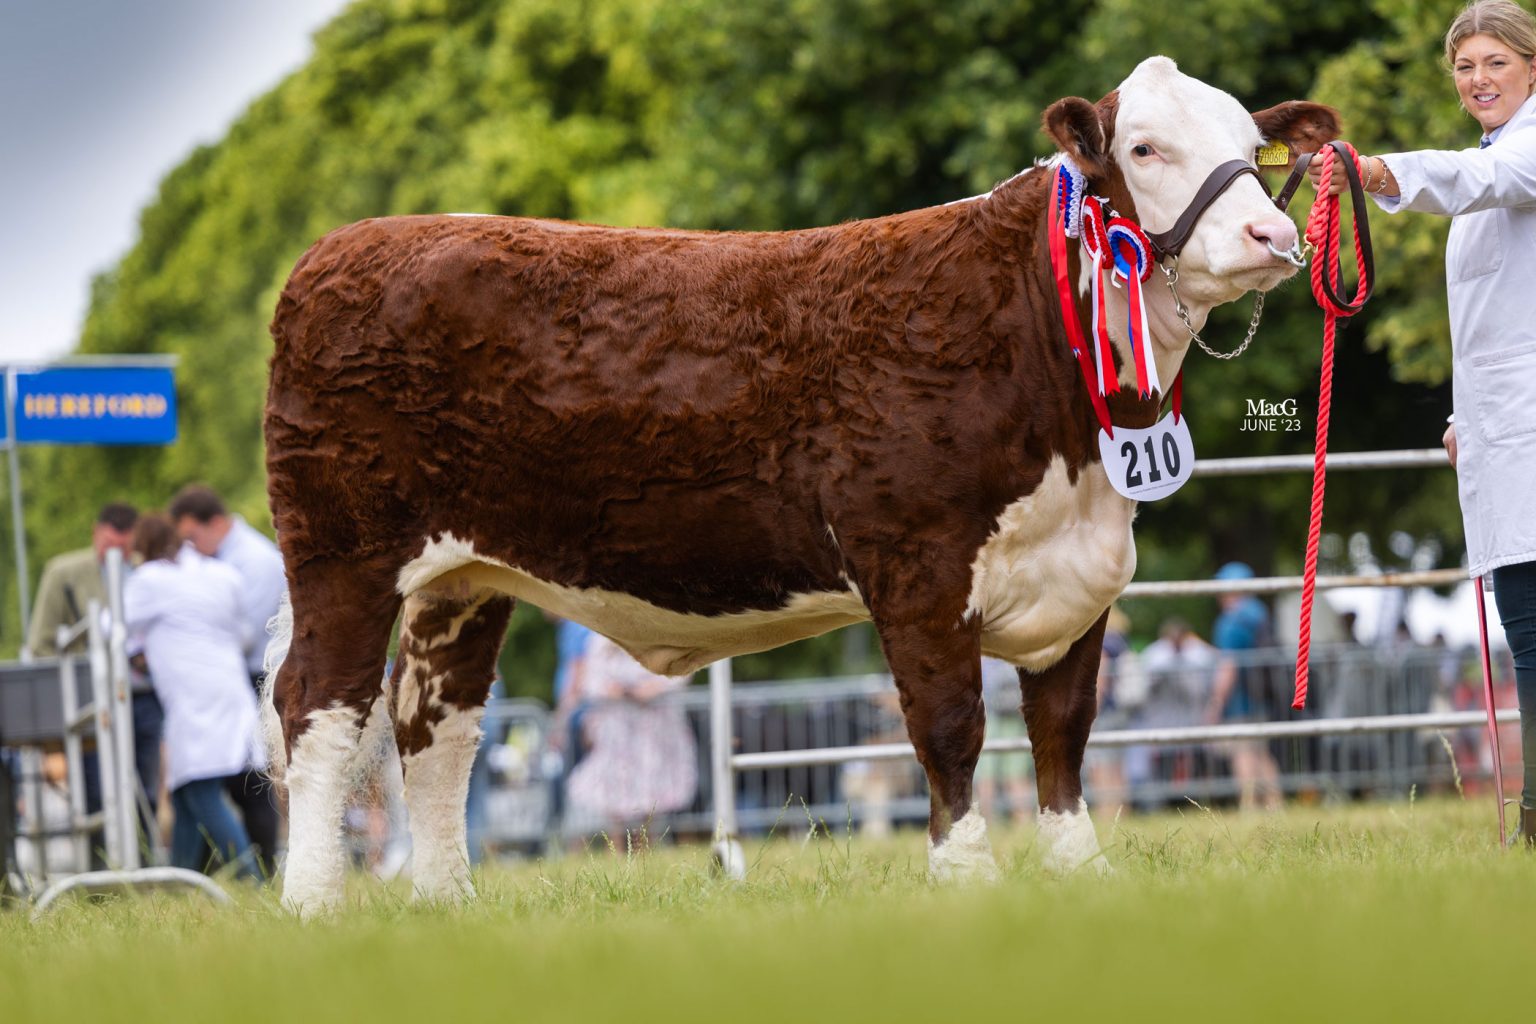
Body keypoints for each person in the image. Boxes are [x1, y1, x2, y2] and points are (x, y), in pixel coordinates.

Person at [1312, 0, 1536, 845]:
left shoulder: (1522, 153)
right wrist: (1463, 413)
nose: (1478, 80)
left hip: (1529, 427)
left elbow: (1477, 183)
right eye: (1465, 67)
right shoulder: (1499, 151)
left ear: (1532, 67)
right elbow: (1504, 318)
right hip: (1505, 426)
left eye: (1496, 63)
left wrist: (1374, 173)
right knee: (1527, 625)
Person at [122, 512, 263, 878]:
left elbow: (114, 627)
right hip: (230, 691)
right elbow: (245, 635)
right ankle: (178, 886)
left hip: (193, 701)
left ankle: (255, 882)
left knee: (200, 791)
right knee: (185, 796)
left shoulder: (149, 580)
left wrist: (139, 649)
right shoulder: (221, 573)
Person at [25, 502, 165, 847]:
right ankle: (103, 869)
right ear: (96, 534)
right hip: (93, 699)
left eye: (124, 548)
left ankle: (144, 865)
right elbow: (41, 643)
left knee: (144, 789)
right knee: (97, 789)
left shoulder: (148, 572)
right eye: (110, 546)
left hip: (141, 695)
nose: (116, 554)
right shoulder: (64, 573)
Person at [168, 485, 285, 864]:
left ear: (215, 523)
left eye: (191, 536)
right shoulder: (222, 562)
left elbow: (238, 637)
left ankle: (260, 869)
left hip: (255, 681)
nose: (188, 547)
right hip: (230, 680)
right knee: (221, 780)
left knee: (250, 783)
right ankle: (225, 869)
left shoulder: (256, 562)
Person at [564, 633, 698, 844]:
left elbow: (682, 671)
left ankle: (645, 850)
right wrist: (613, 691)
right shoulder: (600, 639)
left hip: (655, 733)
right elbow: (590, 682)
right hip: (616, 733)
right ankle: (619, 852)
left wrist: (651, 689)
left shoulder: (661, 631)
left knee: (650, 796)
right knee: (615, 800)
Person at [1205, 562, 1283, 811]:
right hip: (1262, 695)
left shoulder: (1231, 621)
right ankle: (1275, 804)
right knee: (1261, 752)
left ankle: (1249, 806)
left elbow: (1228, 666)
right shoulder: (1259, 613)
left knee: (1243, 753)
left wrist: (1216, 704)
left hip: (1240, 701)